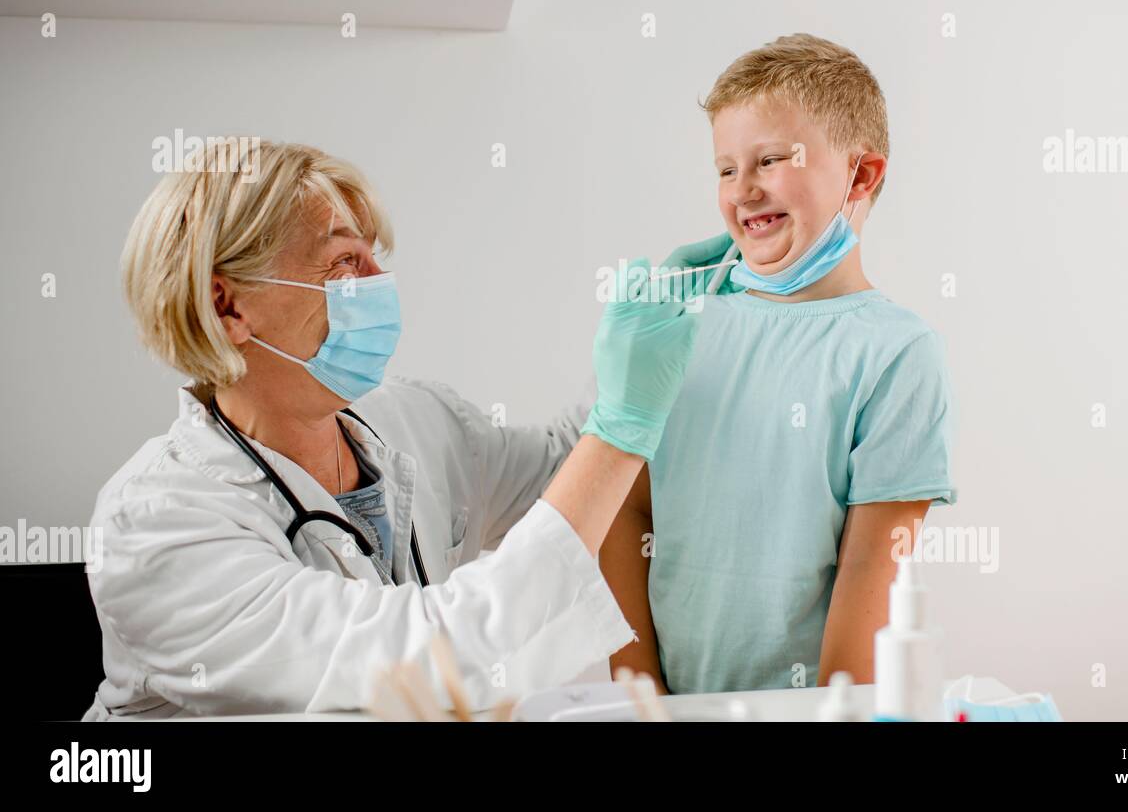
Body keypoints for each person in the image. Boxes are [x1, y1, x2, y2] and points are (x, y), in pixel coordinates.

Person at [84, 139, 714, 719]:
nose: (379, 285)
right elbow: (421, 665)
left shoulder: (411, 419)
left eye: (372, 257)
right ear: (229, 308)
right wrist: (621, 425)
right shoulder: (155, 525)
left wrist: (648, 342)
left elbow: (562, 469)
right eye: (342, 262)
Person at [601, 34, 958, 694]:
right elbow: (625, 510)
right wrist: (638, 696)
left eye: (770, 159)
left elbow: (869, 577)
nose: (744, 190)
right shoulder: (680, 324)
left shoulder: (896, 355)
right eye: (725, 169)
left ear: (860, 174)